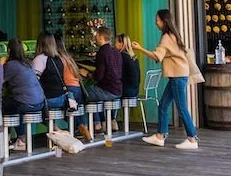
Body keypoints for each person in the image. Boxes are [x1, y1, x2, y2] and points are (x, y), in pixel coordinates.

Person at [132, 9, 198, 150]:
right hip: (178, 76)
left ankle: (192, 139)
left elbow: (157, 56)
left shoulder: (166, 37)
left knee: (182, 108)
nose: (156, 22)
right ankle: (160, 136)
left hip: (178, 77)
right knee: (163, 105)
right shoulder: (174, 34)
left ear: (163, 21)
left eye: (157, 20)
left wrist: (140, 48)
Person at [0, 38, 46, 150]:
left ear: (9, 50)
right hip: (40, 102)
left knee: (1, 106)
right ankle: (17, 138)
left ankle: (18, 139)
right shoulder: (27, 64)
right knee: (13, 105)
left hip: (26, 103)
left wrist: (1, 63)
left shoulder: (11, 65)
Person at [79, 27, 122, 139]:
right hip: (118, 89)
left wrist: (86, 73)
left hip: (107, 90)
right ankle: (102, 122)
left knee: (82, 93)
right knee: (93, 94)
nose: (95, 38)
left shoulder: (102, 53)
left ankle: (89, 126)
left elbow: (98, 77)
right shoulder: (116, 52)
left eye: (96, 36)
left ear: (101, 37)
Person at [32, 32, 70, 115]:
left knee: (32, 107)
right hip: (63, 98)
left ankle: (54, 127)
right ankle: (55, 127)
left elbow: (34, 81)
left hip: (51, 99)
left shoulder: (39, 59)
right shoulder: (59, 59)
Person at [115, 33, 142, 102]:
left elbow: (117, 74)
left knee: (109, 92)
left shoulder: (121, 56)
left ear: (121, 44)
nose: (114, 45)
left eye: (116, 42)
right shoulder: (133, 57)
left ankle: (110, 113)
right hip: (135, 91)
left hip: (127, 91)